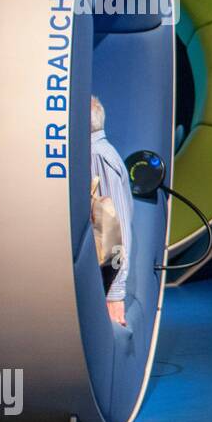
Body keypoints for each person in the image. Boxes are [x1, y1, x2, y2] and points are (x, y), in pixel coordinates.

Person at [91, 95, 135, 327]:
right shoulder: (98, 152)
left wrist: (115, 293)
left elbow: (117, 228)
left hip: (103, 281)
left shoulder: (98, 155)